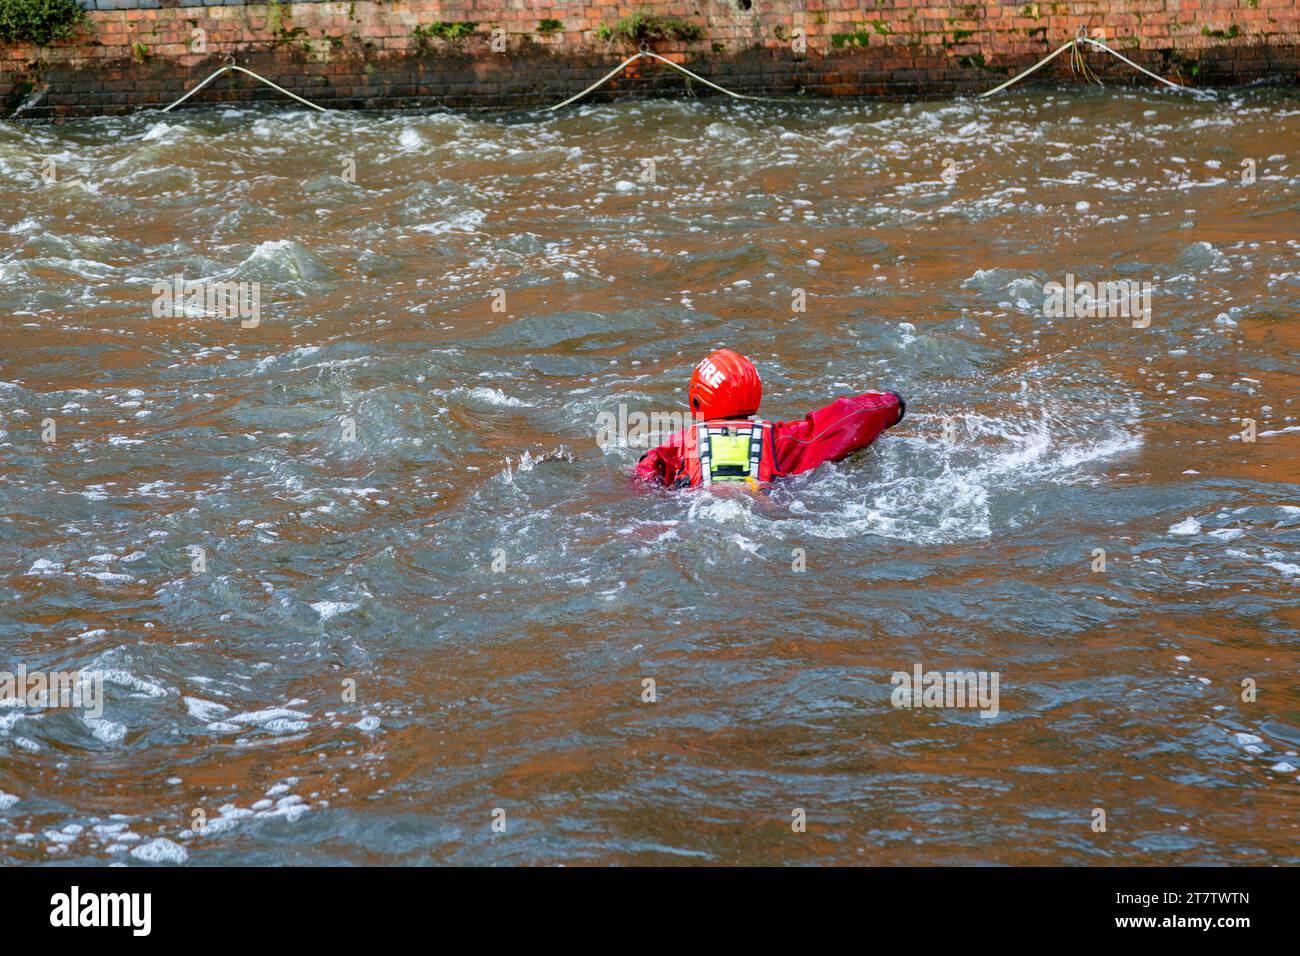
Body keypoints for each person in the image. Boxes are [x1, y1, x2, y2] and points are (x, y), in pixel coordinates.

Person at [634, 348, 905, 489]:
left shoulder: (673, 449)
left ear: (697, 399)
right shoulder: (781, 439)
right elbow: (848, 418)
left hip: (697, 514)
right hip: (765, 508)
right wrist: (892, 404)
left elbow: (643, 480)